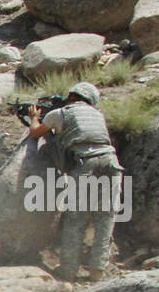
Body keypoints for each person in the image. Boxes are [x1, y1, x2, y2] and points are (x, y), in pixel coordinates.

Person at [28, 82, 124, 281]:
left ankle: (68, 271)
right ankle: (98, 271)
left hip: (85, 164)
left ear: (71, 96)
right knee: (105, 217)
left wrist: (34, 118)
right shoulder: (97, 115)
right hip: (111, 163)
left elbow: (36, 132)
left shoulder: (61, 113)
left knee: (76, 219)